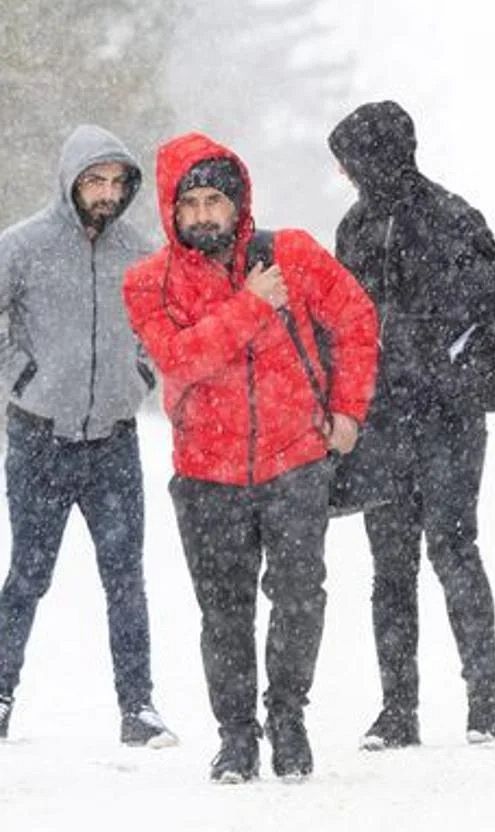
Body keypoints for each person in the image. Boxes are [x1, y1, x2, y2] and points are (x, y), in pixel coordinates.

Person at [123, 132, 378, 782]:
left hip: (295, 462)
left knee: (299, 597)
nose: (205, 214)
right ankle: (237, 737)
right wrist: (250, 304)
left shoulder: (289, 253)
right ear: (171, 210)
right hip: (206, 473)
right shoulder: (147, 283)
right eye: (193, 203)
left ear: (239, 205)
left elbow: (356, 318)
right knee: (225, 612)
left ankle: (287, 717)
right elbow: (182, 359)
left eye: (217, 201)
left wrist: (348, 411)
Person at [327, 100, 495, 749]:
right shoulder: (353, 227)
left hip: (449, 421)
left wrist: (462, 372)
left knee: (453, 548)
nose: (348, 175)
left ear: (376, 156)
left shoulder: (454, 218)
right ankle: (398, 709)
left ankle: (484, 696)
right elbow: (338, 324)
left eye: (352, 161)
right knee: (389, 566)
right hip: (378, 421)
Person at [0, 125, 175, 748]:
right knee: (27, 575)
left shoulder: (141, 252)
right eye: (93, 181)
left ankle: (140, 708)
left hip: (113, 443)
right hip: (38, 440)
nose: (105, 193)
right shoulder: (21, 246)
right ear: (70, 182)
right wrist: (22, 376)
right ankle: (0, 692)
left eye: (115, 182)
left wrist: (140, 375)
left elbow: (161, 326)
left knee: (125, 576)